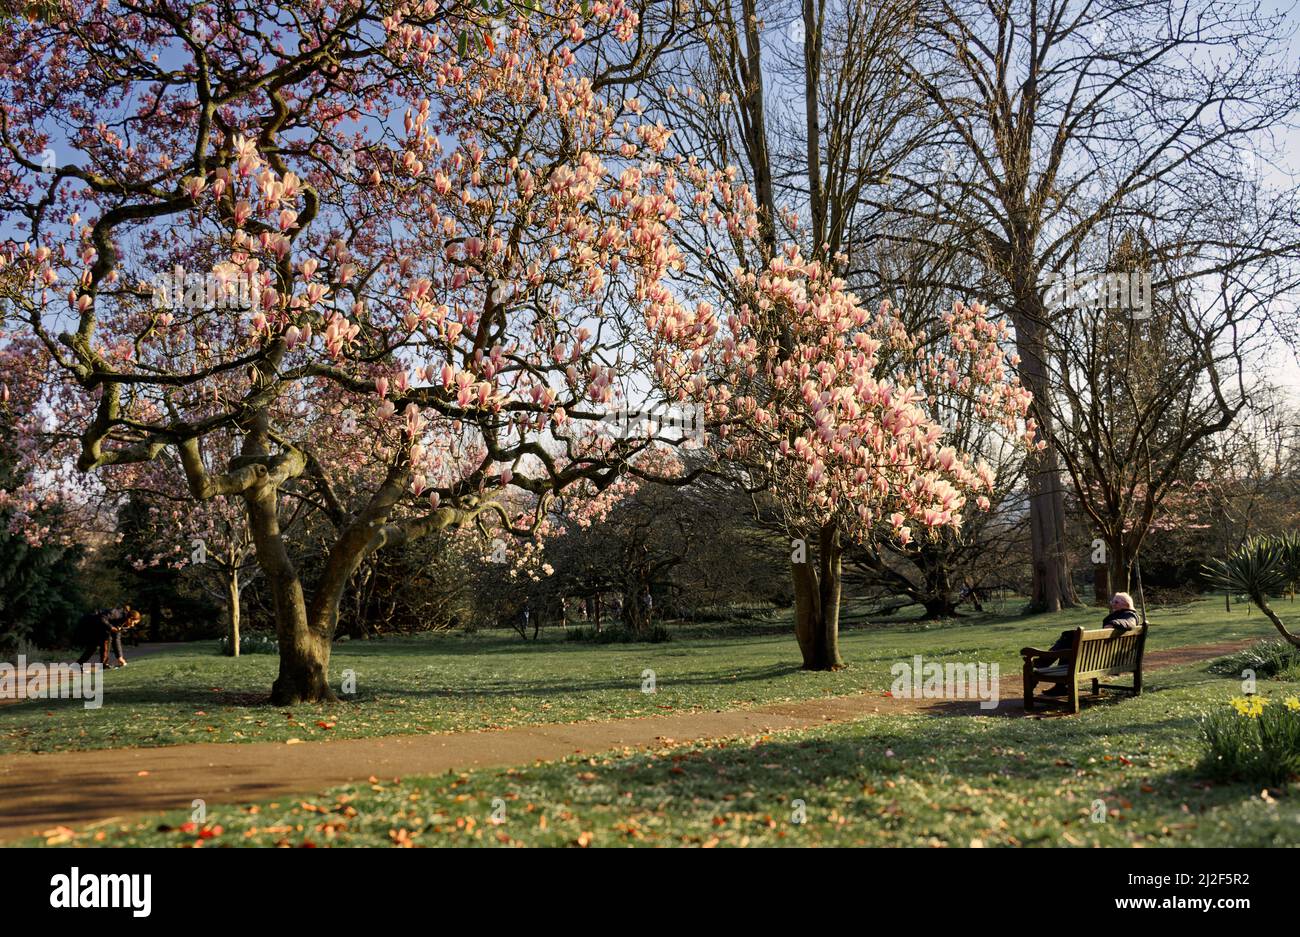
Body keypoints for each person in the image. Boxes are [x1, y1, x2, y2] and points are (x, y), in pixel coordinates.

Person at [1040, 593, 1140, 695]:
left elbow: (1130, 623)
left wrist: (1113, 623)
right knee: (1070, 640)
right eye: (1112, 601)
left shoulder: (1130, 615)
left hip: (1104, 660)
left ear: (1127, 604)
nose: (1113, 604)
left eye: (1116, 602)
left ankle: (1043, 662)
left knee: (1069, 638)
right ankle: (1058, 684)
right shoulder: (1121, 614)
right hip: (1104, 658)